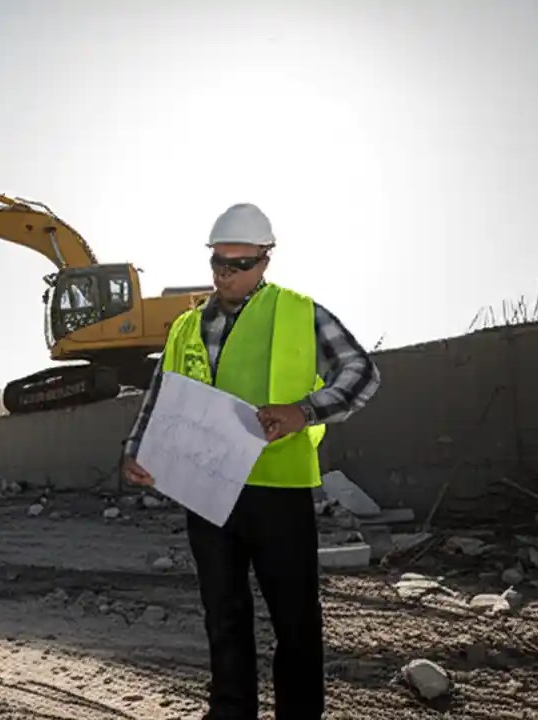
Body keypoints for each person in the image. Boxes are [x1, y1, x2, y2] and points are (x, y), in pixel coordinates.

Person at [120, 203, 381, 720]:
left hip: (277, 491)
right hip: (206, 491)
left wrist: (304, 410)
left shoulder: (299, 312)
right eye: (218, 262)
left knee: (296, 621)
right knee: (223, 615)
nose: (226, 274)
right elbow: (159, 395)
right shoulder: (185, 327)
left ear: (264, 262)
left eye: (239, 265)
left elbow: (360, 371)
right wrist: (137, 449)